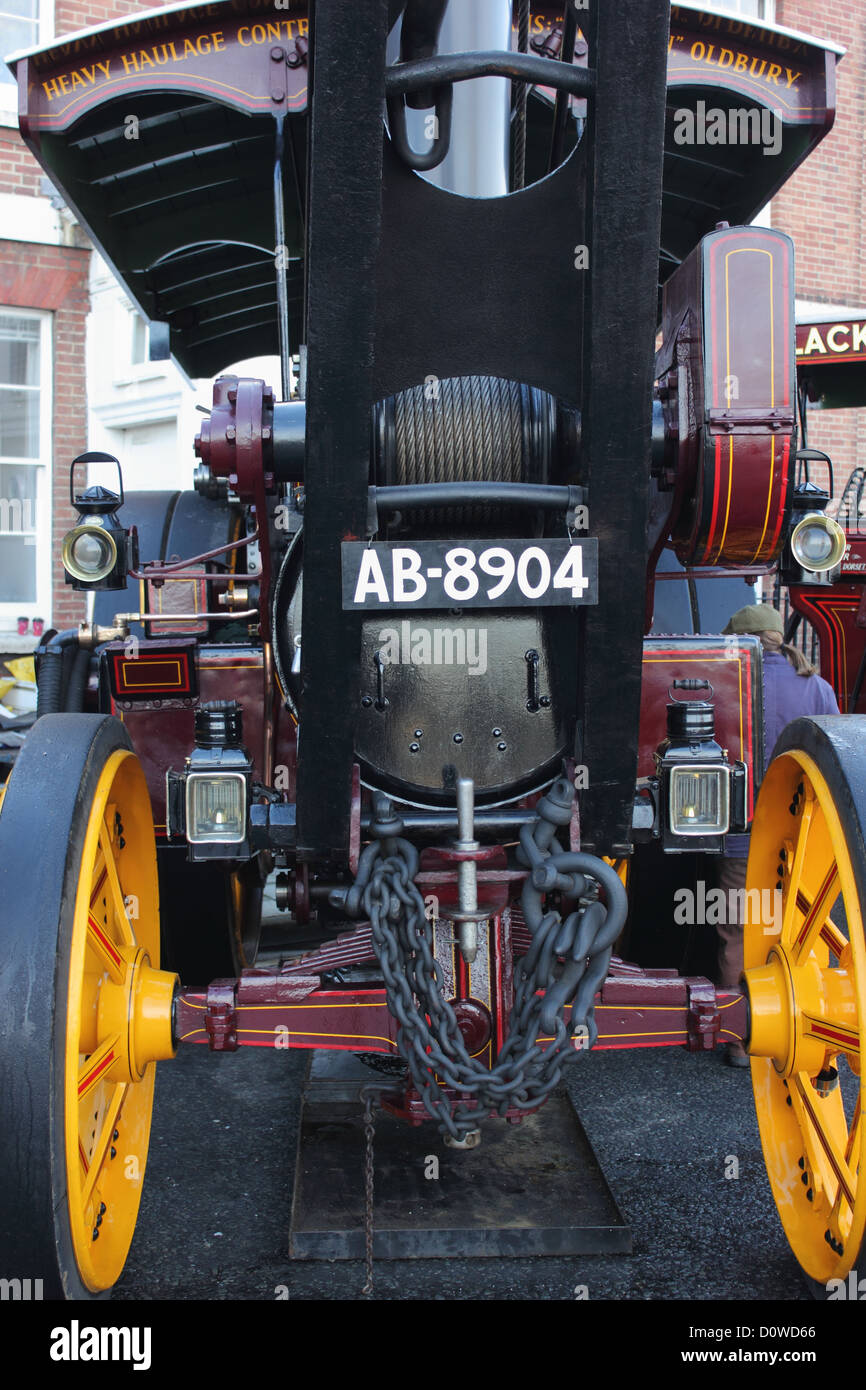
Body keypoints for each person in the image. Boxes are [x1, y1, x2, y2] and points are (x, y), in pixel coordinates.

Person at [717, 603, 839, 1065]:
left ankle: (738, 1038)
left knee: (737, 929)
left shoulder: (724, 685)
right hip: (802, 834)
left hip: (741, 831)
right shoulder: (819, 688)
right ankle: (803, 1026)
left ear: (739, 641)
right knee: (796, 931)